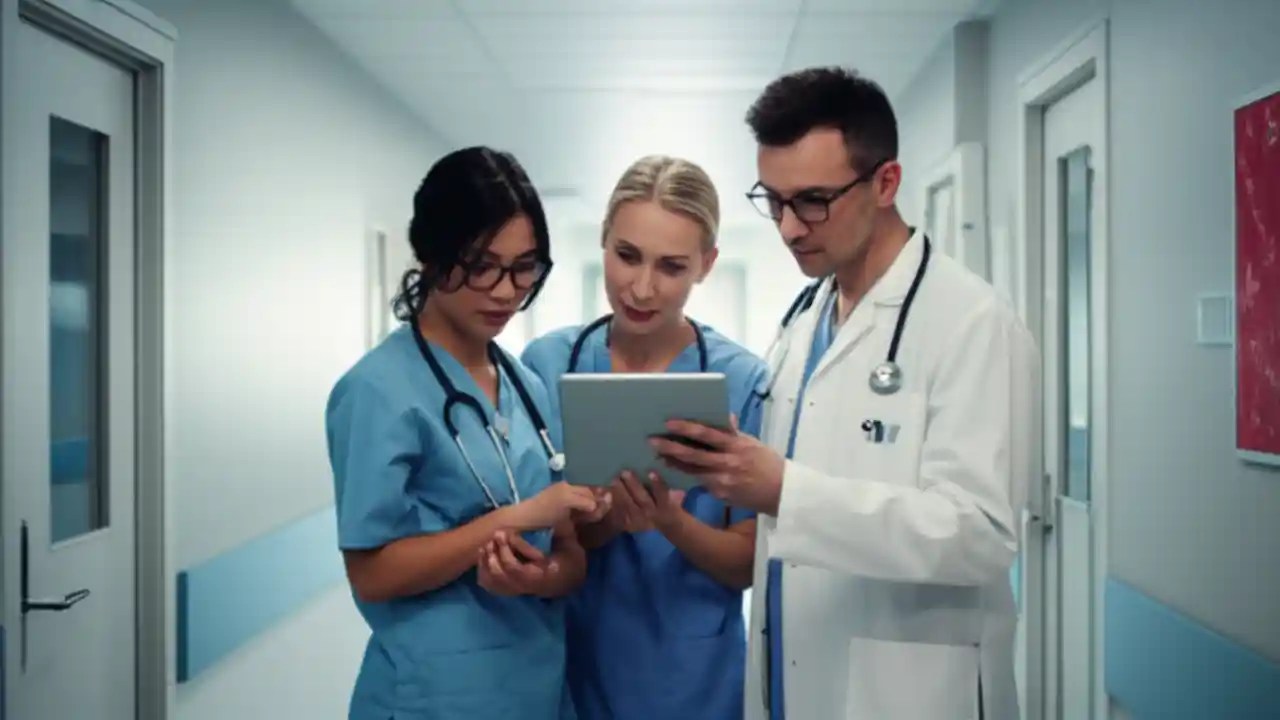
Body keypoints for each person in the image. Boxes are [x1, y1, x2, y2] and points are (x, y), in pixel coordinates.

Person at [649, 68, 1039, 719]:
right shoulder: (804, 319)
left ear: (886, 183)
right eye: (773, 200)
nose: (789, 228)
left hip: (908, 691)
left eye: (812, 201)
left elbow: (981, 533)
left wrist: (783, 490)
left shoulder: (971, 322)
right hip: (792, 679)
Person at [324, 146, 599, 720]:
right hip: (434, 700)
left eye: (525, 266)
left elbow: (569, 555)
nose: (506, 291)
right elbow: (371, 574)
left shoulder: (527, 384)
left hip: (538, 692)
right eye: (480, 265)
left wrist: (539, 576)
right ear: (429, 254)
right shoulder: (378, 391)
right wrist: (509, 522)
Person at [520, 154, 770, 720]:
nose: (641, 287)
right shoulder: (546, 364)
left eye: (672, 267)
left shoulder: (743, 382)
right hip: (570, 672)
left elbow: (747, 563)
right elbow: (535, 538)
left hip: (692, 684)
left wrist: (670, 522)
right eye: (626, 256)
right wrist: (605, 520)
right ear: (603, 240)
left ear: (707, 265)